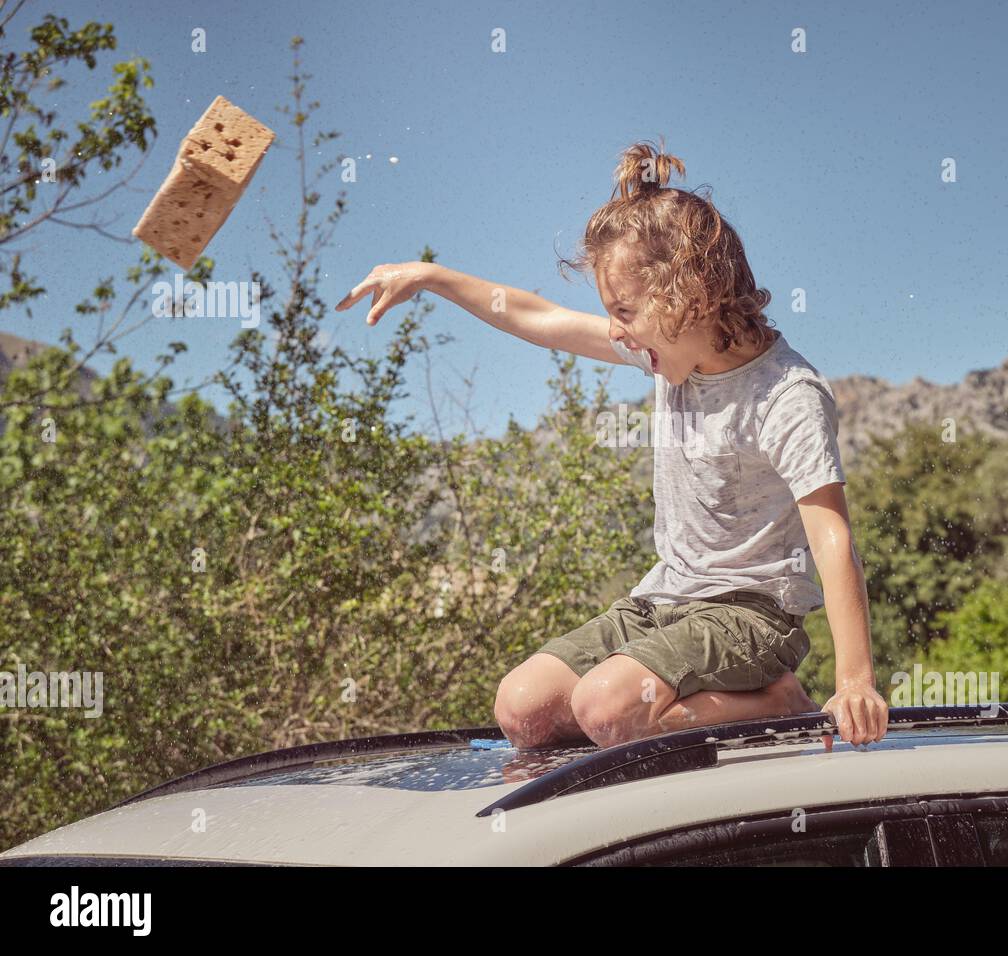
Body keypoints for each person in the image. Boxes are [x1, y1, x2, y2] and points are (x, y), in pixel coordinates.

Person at [335, 140, 888, 750]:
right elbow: (537, 316)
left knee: (608, 711)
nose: (617, 332)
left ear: (689, 296)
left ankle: (773, 700)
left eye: (624, 311)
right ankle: (678, 707)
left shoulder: (785, 395)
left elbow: (832, 537)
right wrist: (431, 277)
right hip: (663, 600)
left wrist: (854, 679)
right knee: (522, 710)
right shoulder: (669, 349)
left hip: (752, 615)